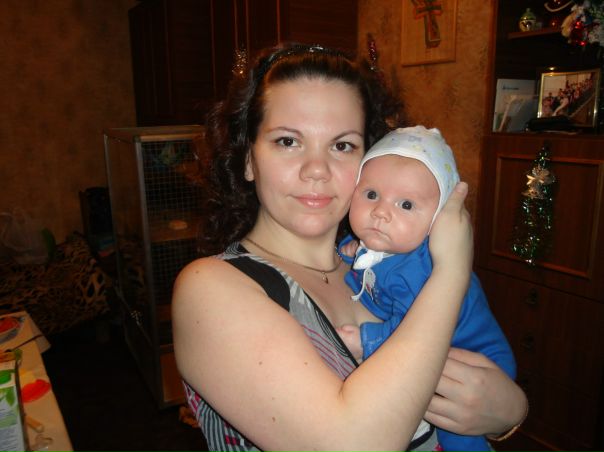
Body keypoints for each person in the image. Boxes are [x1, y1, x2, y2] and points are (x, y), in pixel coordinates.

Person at [172, 43, 528, 452]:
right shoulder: (211, 289)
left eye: (342, 146)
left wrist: (509, 412)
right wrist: (452, 271)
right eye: (288, 141)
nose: (317, 170)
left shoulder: (383, 271)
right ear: (249, 159)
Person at [335, 126, 517, 452]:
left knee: (455, 432)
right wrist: (351, 250)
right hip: (445, 358)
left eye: (406, 204)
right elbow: (369, 259)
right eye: (371, 194)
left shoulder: (419, 273)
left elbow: (413, 330)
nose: (381, 212)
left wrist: (367, 340)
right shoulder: (385, 245)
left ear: (438, 221)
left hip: (476, 364)